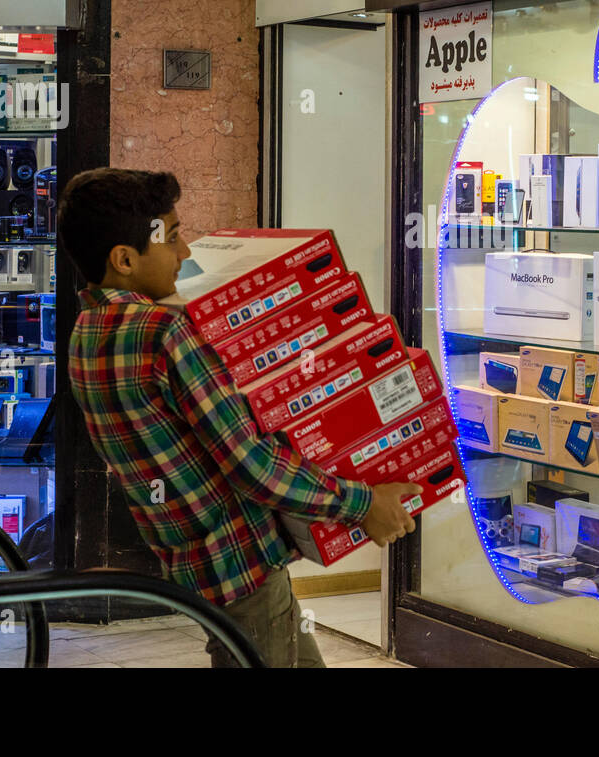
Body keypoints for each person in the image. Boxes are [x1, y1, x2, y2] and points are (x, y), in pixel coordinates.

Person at [58, 168, 419, 667]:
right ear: (124, 259)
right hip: (237, 559)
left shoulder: (87, 329)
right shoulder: (162, 331)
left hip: (192, 554)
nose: (185, 253)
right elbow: (252, 465)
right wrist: (362, 504)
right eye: (174, 235)